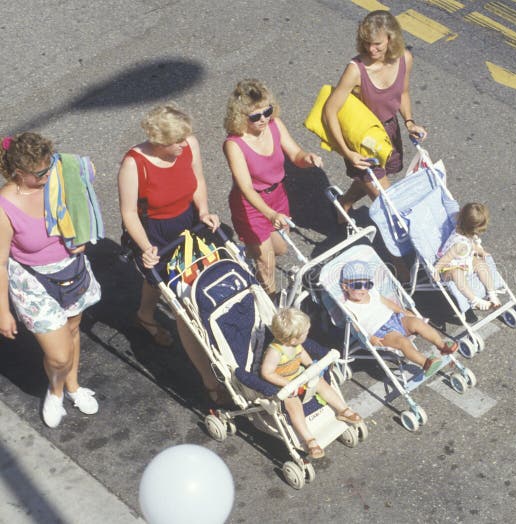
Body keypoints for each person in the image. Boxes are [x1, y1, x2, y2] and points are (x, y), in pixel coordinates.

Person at [117, 104, 226, 403]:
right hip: (156, 233)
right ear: (159, 142)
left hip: (188, 222)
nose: (184, 144)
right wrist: (146, 248)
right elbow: (129, 213)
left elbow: (198, 180)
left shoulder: (188, 144)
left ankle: (144, 314)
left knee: (182, 281)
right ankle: (210, 382)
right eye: (177, 141)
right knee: (183, 305)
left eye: (185, 138)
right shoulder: (134, 164)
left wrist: (203, 211)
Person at [0, 132, 101, 428]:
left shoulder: (58, 176)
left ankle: (73, 387)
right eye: (41, 172)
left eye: (50, 165)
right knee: (58, 356)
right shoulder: (4, 206)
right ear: (19, 173)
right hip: (34, 282)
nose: (47, 174)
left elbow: (87, 180)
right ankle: (56, 391)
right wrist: (3, 311)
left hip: (72, 270)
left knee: (72, 330)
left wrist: (83, 234)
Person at [323, 9, 427, 218]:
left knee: (376, 178)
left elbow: (403, 93)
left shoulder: (405, 59)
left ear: (391, 38)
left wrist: (409, 122)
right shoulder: (356, 70)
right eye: (367, 43)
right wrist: (347, 152)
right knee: (390, 204)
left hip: (389, 131)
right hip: (363, 140)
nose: (371, 49)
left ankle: (343, 203)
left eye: (377, 44)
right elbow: (329, 111)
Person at [223, 79, 323, 296]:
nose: (264, 119)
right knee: (266, 265)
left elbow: (296, 155)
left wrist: (308, 158)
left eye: (267, 112)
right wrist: (270, 214)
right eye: (255, 116)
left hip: (278, 197)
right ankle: (271, 302)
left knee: (281, 248)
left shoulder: (274, 125)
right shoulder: (234, 144)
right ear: (240, 116)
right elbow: (246, 188)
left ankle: (248, 251)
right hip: (251, 206)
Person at [260, 308, 362, 460]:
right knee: (293, 405)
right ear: (293, 339)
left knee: (321, 383)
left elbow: (301, 354)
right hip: (284, 384)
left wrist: (310, 366)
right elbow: (267, 373)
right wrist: (287, 384)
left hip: (299, 376)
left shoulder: (295, 345)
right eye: (305, 333)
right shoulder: (274, 352)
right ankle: (309, 439)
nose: (307, 334)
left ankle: (343, 410)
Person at [340, 260, 457, 379]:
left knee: (418, 323)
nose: (363, 289)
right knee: (403, 342)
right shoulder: (348, 307)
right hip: (380, 332)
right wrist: (369, 338)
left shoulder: (373, 293)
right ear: (345, 287)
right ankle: (426, 363)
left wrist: (402, 311)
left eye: (367, 284)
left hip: (395, 318)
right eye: (357, 285)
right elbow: (356, 328)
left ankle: (442, 346)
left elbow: (388, 304)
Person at [433, 202, 501, 311]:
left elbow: (472, 244)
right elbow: (446, 258)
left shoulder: (465, 232)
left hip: (465, 262)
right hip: (450, 268)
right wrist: (436, 270)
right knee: (457, 273)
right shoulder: (459, 245)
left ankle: (491, 293)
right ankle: (474, 300)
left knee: (480, 263)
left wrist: (480, 251)